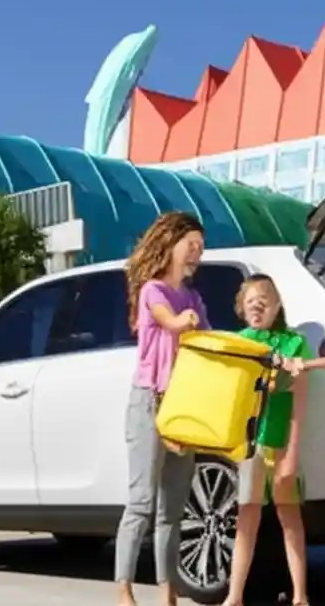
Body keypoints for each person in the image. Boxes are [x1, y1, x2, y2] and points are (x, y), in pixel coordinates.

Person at [226, 274, 325, 606]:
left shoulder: (294, 344)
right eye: (250, 301)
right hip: (248, 445)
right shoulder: (239, 345)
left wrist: (290, 453)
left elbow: (298, 404)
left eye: (264, 299)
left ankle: (300, 595)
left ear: (277, 306)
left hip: (279, 444)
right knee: (246, 517)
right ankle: (234, 596)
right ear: (241, 309)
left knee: (289, 518)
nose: (257, 305)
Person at [114, 211, 210, 606]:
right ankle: (123, 587)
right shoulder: (154, 290)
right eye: (191, 246)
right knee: (141, 502)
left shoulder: (195, 298)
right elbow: (168, 321)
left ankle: (167, 590)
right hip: (150, 403)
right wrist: (183, 321)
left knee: (172, 508)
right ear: (171, 244)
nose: (196, 255)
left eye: (201, 250)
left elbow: (208, 340)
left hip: (183, 407)